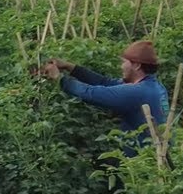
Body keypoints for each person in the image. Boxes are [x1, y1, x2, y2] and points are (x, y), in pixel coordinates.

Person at [35, 41, 170, 156]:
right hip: (155, 156)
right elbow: (105, 82)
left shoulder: (137, 92)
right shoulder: (153, 86)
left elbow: (91, 93)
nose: (121, 66)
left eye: (124, 62)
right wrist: (70, 67)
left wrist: (60, 79)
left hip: (145, 163)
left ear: (137, 65)